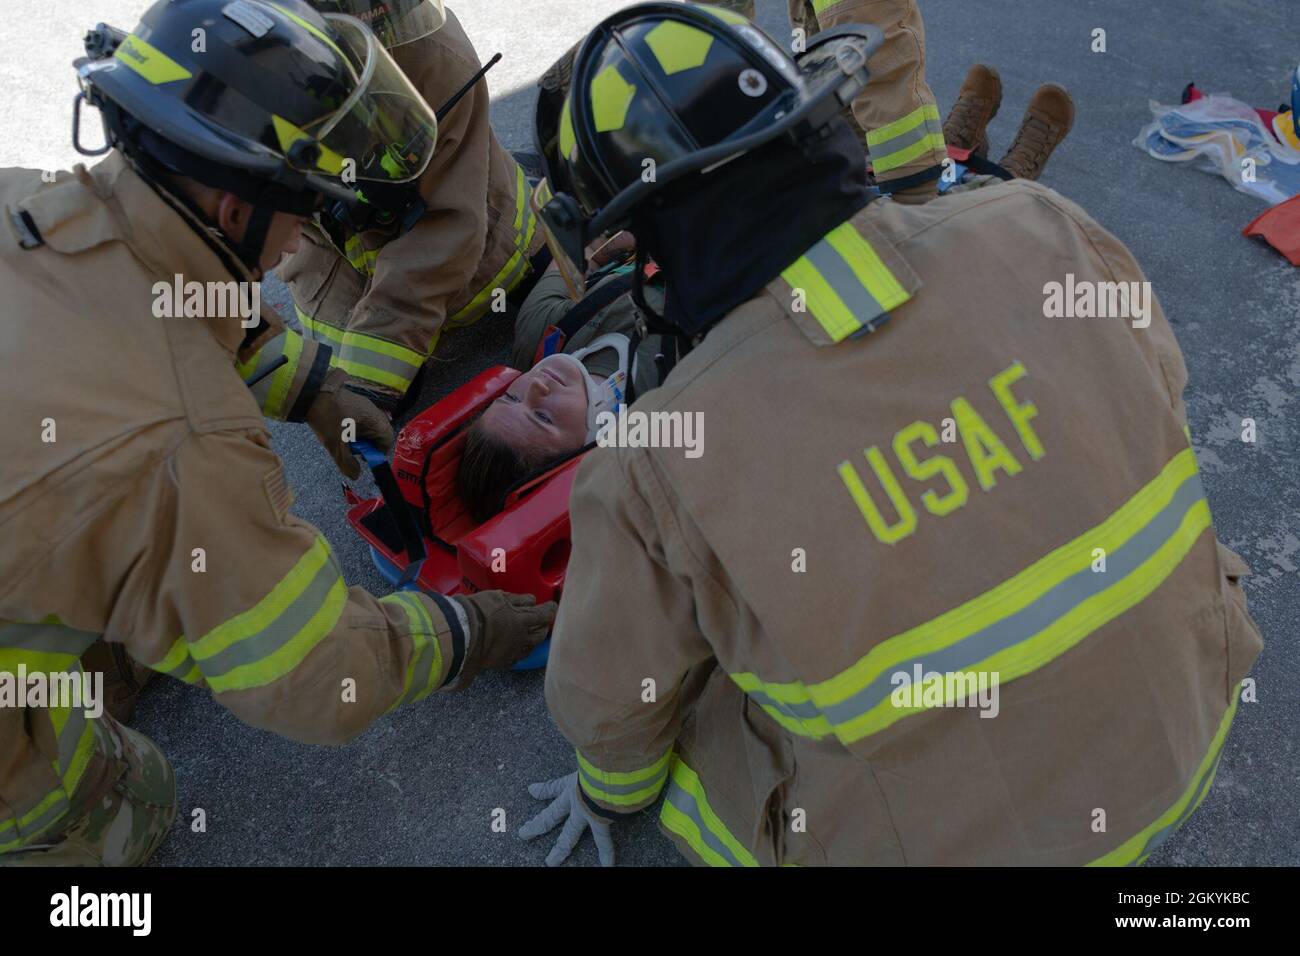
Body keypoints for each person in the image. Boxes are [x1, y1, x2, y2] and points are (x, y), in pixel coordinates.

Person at [516, 3, 1262, 866]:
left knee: (691, 701)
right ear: (817, 117)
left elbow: (610, 695)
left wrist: (607, 790)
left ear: (642, 234)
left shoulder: (652, 462)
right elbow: (1162, 386)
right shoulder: (1042, 225)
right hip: (1191, 727)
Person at [0, 0, 552, 866]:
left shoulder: (28, 204)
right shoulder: (182, 444)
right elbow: (312, 677)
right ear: (232, 210)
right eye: (307, 210)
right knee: (125, 797)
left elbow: (173, 288)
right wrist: (467, 632)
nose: (308, 238)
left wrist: (314, 388)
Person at [275, 1, 549, 415]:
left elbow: (450, 221)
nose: (375, 17)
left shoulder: (434, 50)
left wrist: (371, 381)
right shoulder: (255, 71)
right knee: (371, 390)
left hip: (486, 250)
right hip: (333, 275)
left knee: (552, 282)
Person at [456, 229, 666, 523]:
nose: (536, 385)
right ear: (585, 456)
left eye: (510, 397)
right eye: (542, 416)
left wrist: (618, 238)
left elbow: (578, 248)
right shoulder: (676, 405)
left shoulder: (539, 335)